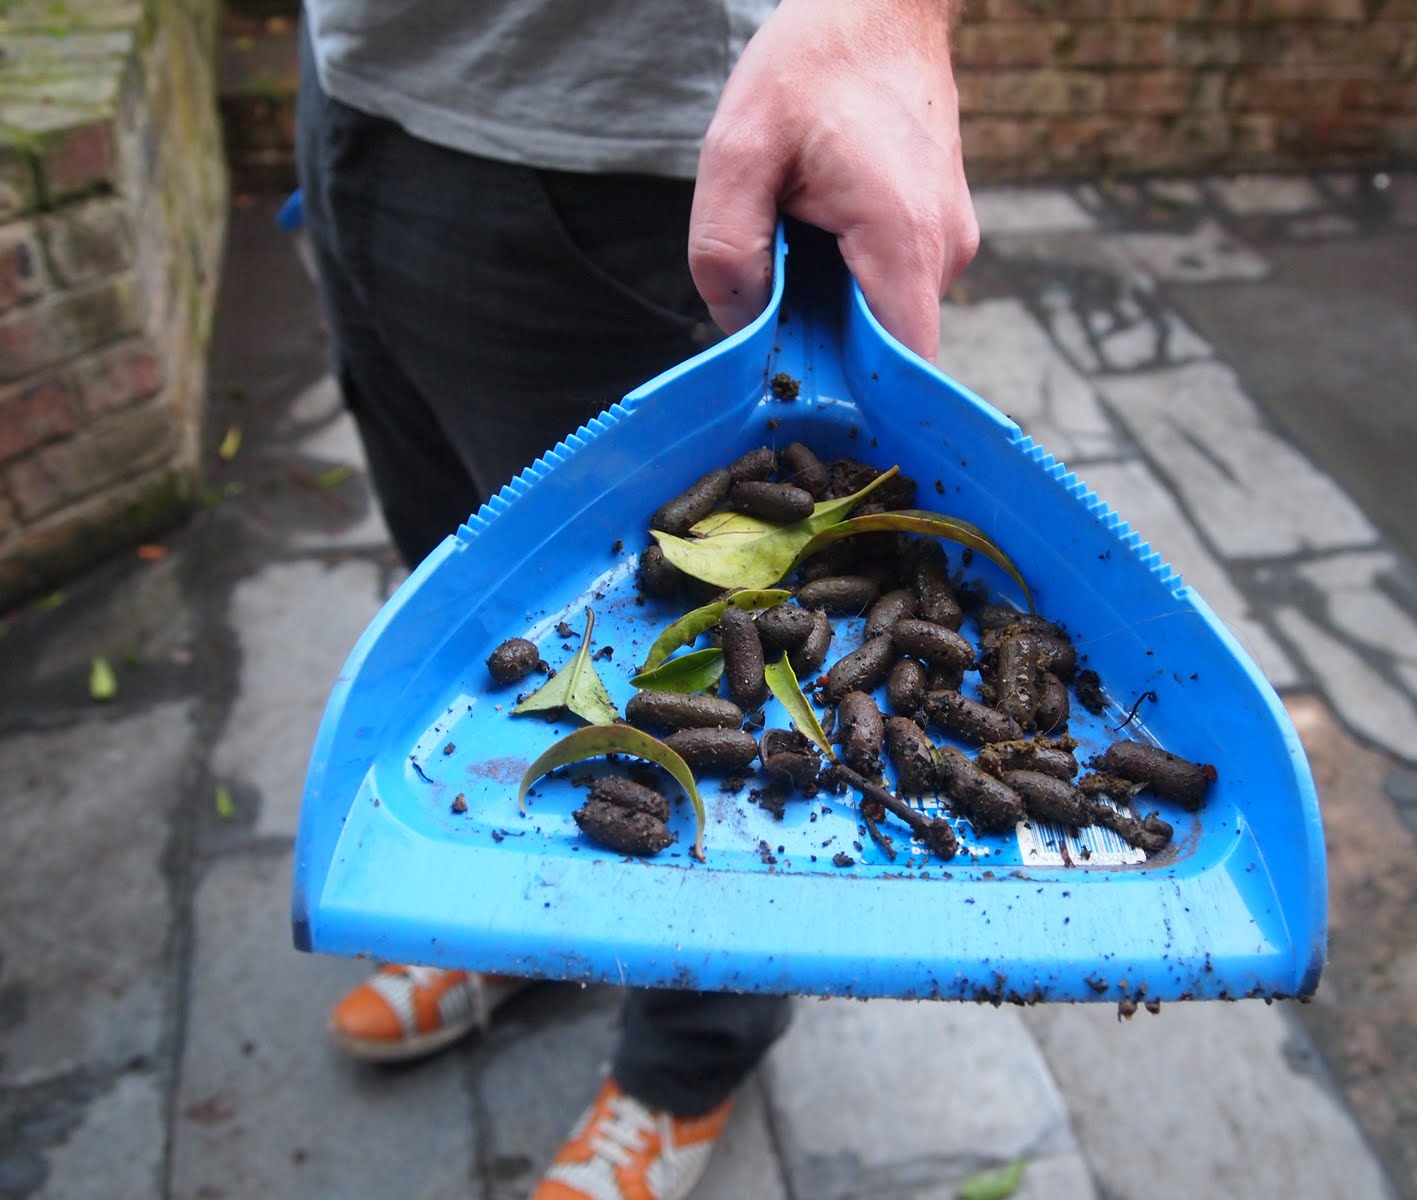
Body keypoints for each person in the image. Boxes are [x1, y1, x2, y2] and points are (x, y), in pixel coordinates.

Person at [296, 2, 978, 1197]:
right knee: (477, 602)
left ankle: (685, 1067)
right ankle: (521, 920)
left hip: (627, 169)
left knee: (677, 669)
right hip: (363, 100)